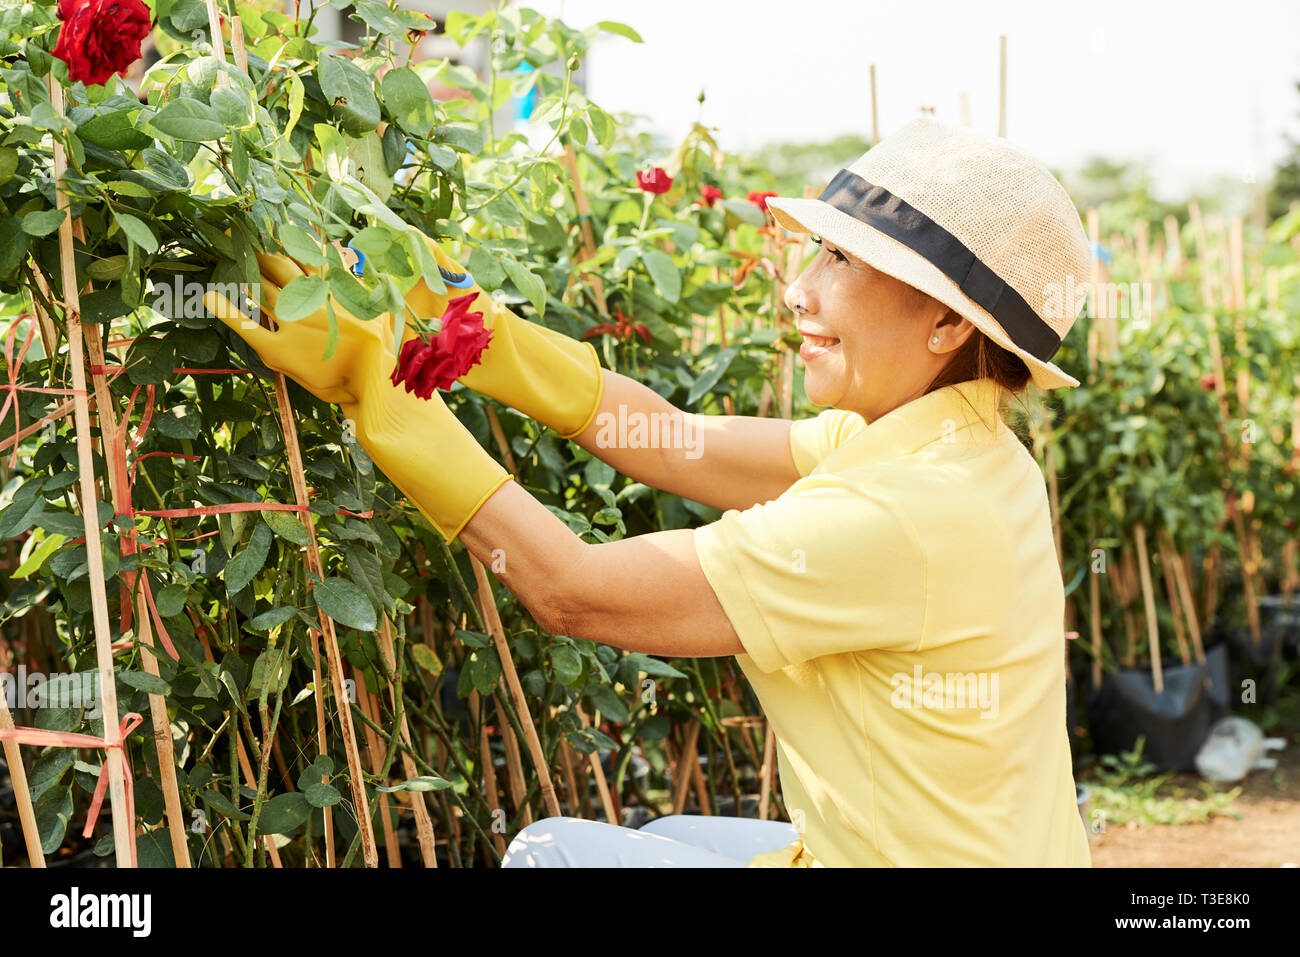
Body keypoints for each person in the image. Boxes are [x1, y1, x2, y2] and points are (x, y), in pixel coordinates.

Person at [212, 115, 1092, 867]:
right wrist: (482, 340)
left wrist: (387, 394)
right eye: (817, 251)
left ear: (947, 322)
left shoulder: (903, 514)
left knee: (551, 853)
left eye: (844, 261)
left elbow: (573, 591)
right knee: (671, 832)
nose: (798, 289)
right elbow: (681, 444)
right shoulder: (954, 448)